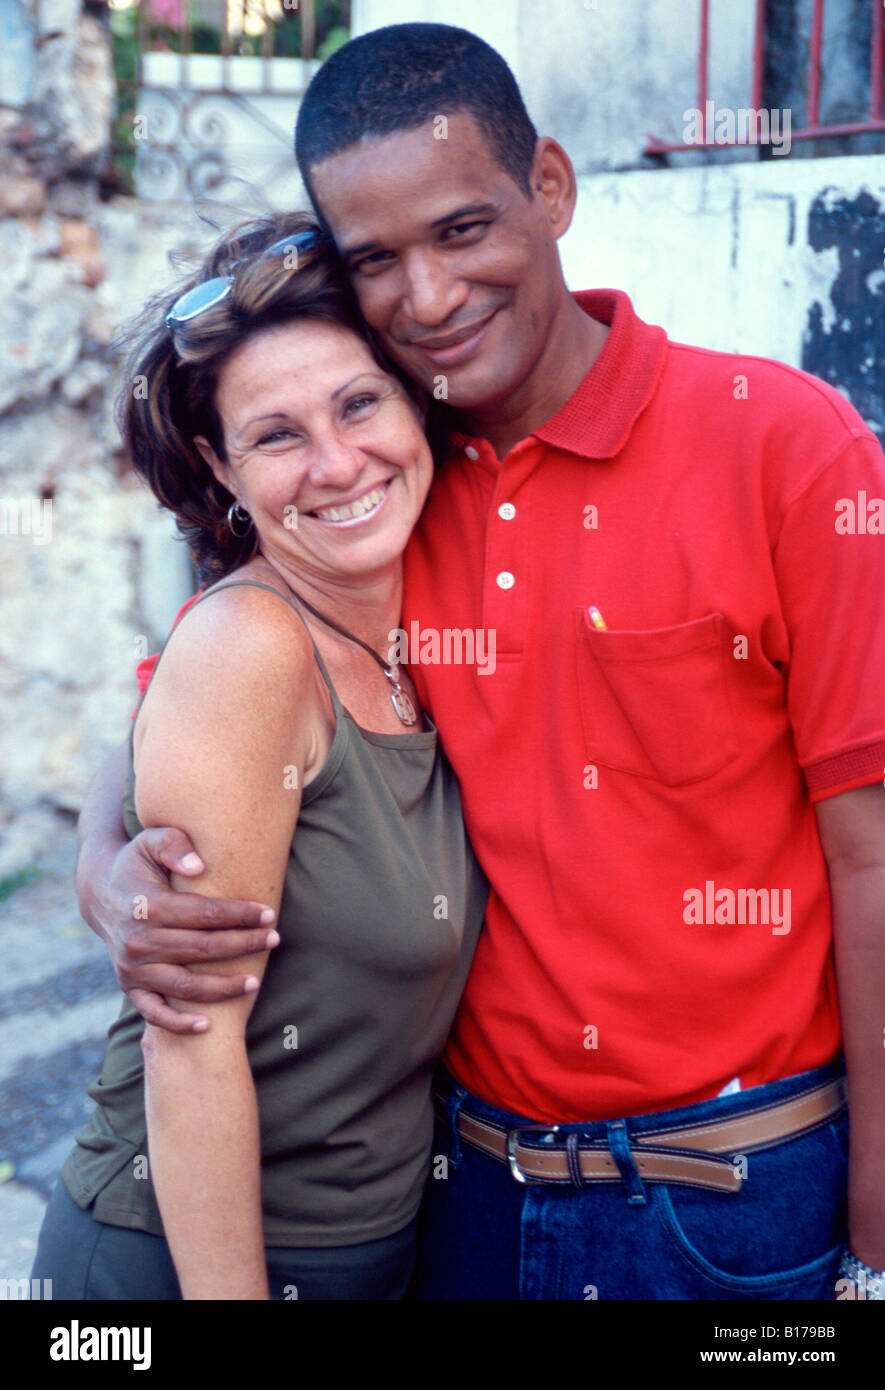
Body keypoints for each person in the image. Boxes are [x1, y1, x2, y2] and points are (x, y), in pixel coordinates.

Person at [75, 24, 885, 1300]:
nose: (431, 298)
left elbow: (873, 855)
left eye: (463, 231)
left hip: (738, 1204)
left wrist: (878, 1252)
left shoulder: (786, 447)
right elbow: (184, 699)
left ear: (550, 189)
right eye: (378, 262)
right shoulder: (390, 486)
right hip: (466, 1201)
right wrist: (105, 871)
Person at [30, 210, 487, 1300]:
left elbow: (154, 737)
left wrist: (103, 847)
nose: (338, 463)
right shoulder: (253, 644)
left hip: (378, 1245)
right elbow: (191, 1051)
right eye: (277, 435)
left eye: (358, 402)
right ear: (219, 466)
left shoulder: (421, 614)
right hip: (191, 1263)